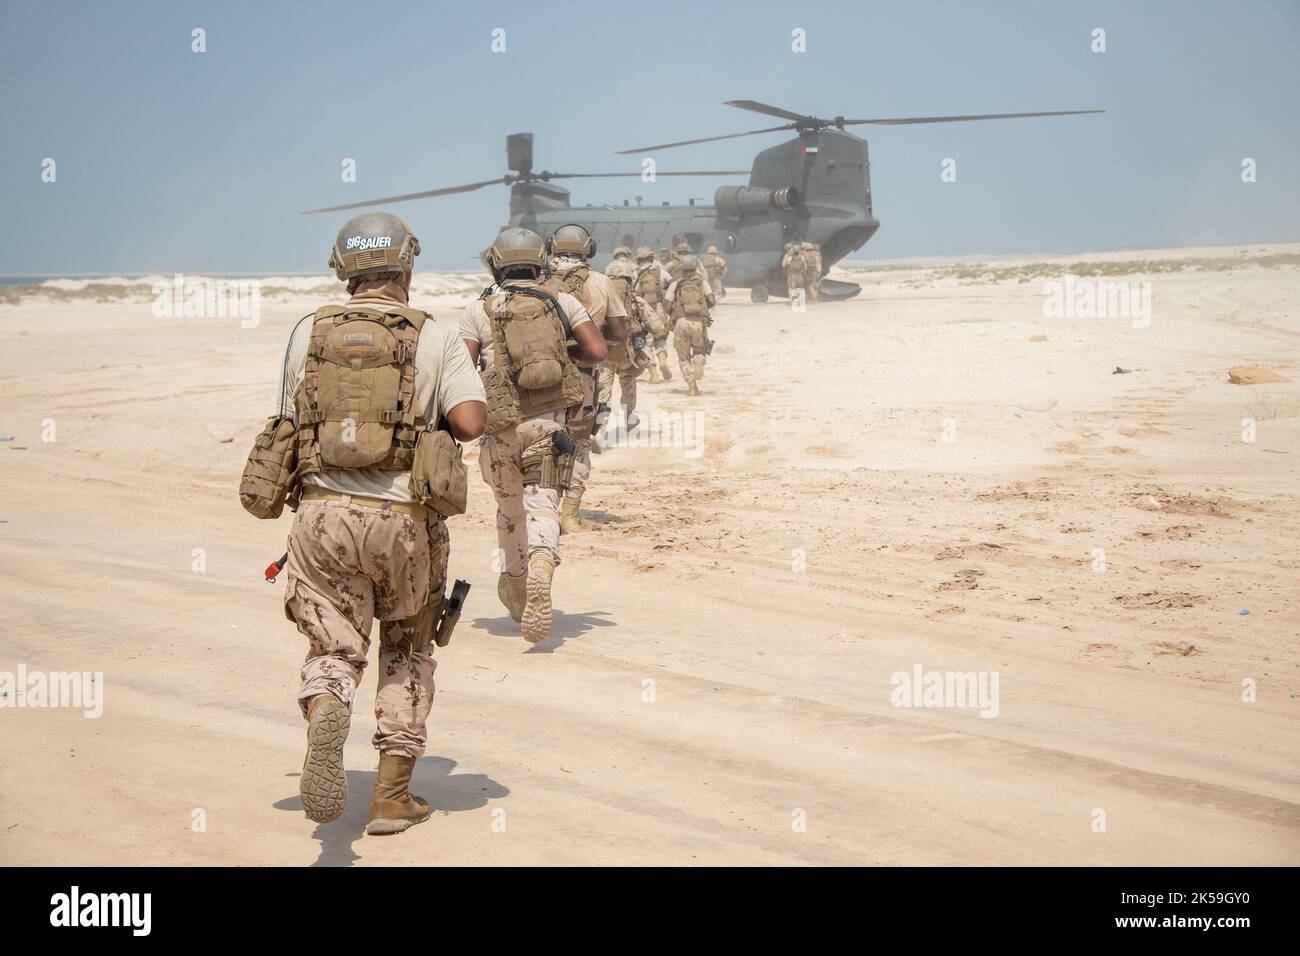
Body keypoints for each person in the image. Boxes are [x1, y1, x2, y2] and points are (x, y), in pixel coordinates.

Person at [276, 211, 486, 835]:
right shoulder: (434, 336)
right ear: (408, 266)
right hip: (404, 520)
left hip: (320, 514)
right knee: (408, 647)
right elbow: (472, 422)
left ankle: (327, 704)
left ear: (343, 270)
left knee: (333, 643)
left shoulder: (304, 333)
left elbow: (288, 418)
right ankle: (391, 798)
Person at [459, 227, 607, 643]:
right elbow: (597, 353)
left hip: (501, 424)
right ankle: (543, 562)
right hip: (550, 422)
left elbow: (462, 371)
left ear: (495, 263)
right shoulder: (561, 300)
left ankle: (516, 579)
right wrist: (562, 355)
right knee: (542, 502)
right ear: (540, 262)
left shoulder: (478, 309)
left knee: (510, 510)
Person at [541, 224, 627, 532]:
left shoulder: (537, 282)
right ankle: (570, 516)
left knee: (543, 443)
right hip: (583, 377)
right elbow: (619, 333)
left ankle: (542, 512)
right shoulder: (602, 282)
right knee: (577, 444)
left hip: (540, 378)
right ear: (588, 250)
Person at [664, 253, 715, 396]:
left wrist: (676, 315)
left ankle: (692, 386)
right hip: (699, 322)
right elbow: (711, 301)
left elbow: (667, 305)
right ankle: (699, 360)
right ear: (694, 267)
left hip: (681, 322)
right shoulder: (702, 282)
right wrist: (701, 310)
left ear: (681, 268)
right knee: (699, 350)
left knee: (684, 357)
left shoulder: (676, 284)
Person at [634, 246, 673, 383]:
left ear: (639, 260)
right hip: (660, 309)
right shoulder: (661, 272)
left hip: (644, 312)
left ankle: (653, 372)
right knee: (660, 336)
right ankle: (662, 359)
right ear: (651, 258)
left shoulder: (636, 274)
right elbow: (672, 285)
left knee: (646, 341)